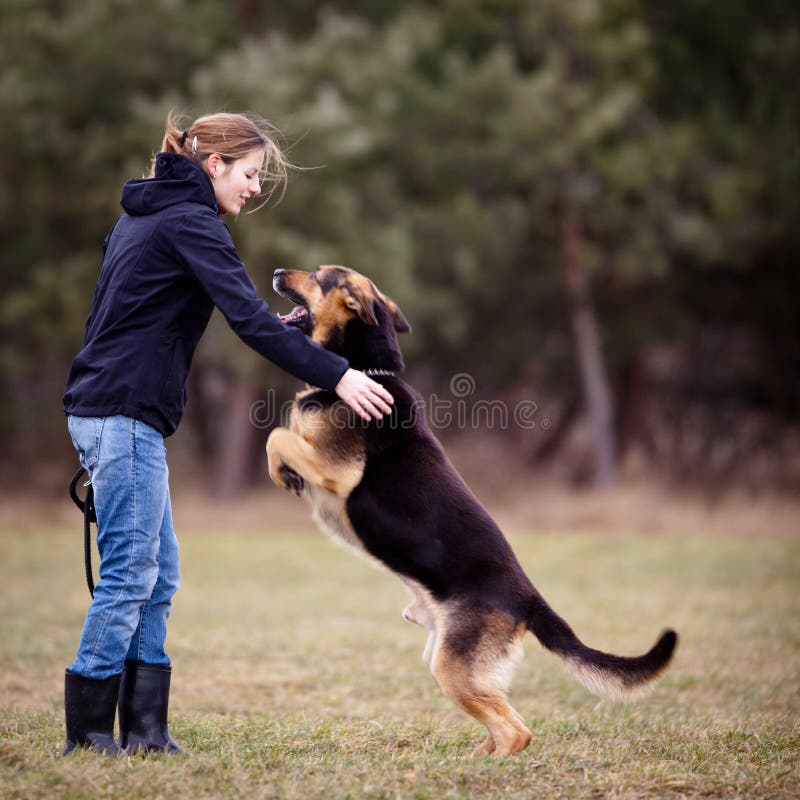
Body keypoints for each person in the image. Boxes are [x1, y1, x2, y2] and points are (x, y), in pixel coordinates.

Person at [61, 111, 393, 756]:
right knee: (131, 573)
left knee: (157, 575)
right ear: (213, 166)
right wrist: (340, 375)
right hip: (120, 413)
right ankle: (90, 735)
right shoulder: (191, 221)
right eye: (249, 174)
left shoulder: (146, 214)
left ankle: (147, 733)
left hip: (113, 408)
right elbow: (248, 321)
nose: (255, 188)